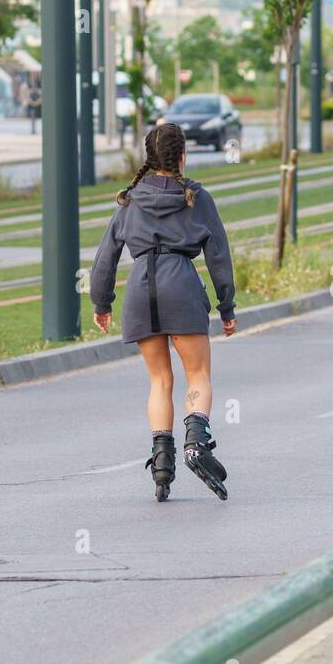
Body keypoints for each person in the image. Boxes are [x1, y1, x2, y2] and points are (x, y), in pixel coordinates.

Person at [89, 122, 237, 502]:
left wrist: (101, 304)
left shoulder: (130, 199)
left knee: (160, 381)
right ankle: (196, 445)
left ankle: (161, 466)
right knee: (198, 374)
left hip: (141, 290)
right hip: (181, 286)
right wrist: (226, 306)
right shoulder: (196, 197)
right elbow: (218, 254)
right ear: (182, 156)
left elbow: (105, 258)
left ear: (148, 158)